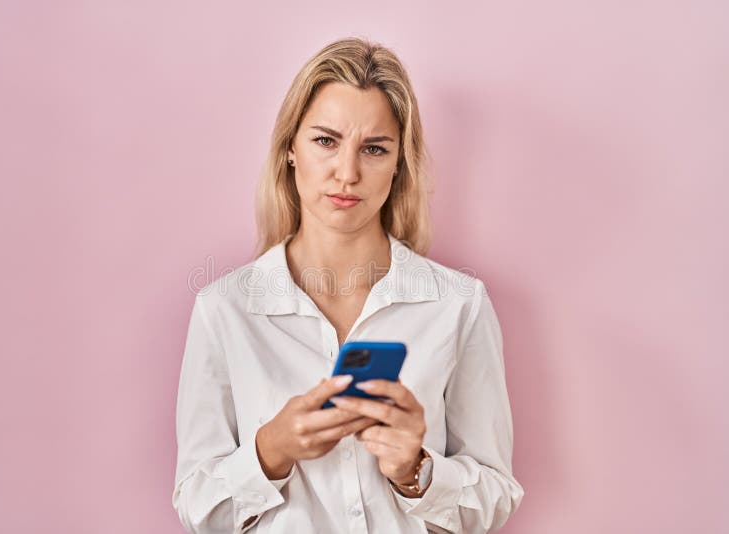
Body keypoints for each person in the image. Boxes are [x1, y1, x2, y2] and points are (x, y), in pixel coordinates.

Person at [172, 36, 524, 533]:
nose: (347, 173)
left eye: (374, 148)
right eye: (325, 141)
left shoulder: (458, 305)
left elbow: (495, 494)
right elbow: (197, 506)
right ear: (290, 149)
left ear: (399, 162)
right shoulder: (225, 309)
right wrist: (271, 450)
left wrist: (415, 471)